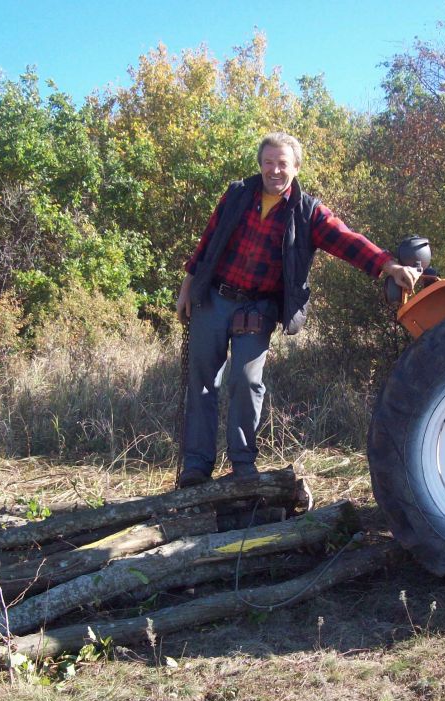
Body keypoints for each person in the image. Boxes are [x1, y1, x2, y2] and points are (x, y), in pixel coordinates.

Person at [175, 132, 419, 487]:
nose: (275, 170)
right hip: (213, 298)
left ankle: (242, 466)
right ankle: (196, 468)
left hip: (257, 308)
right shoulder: (237, 195)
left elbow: (348, 241)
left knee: (245, 381)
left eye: (282, 164)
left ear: (296, 167)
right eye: (268, 163)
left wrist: (389, 266)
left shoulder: (309, 212)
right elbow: (207, 243)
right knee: (202, 383)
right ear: (260, 165)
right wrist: (186, 288)